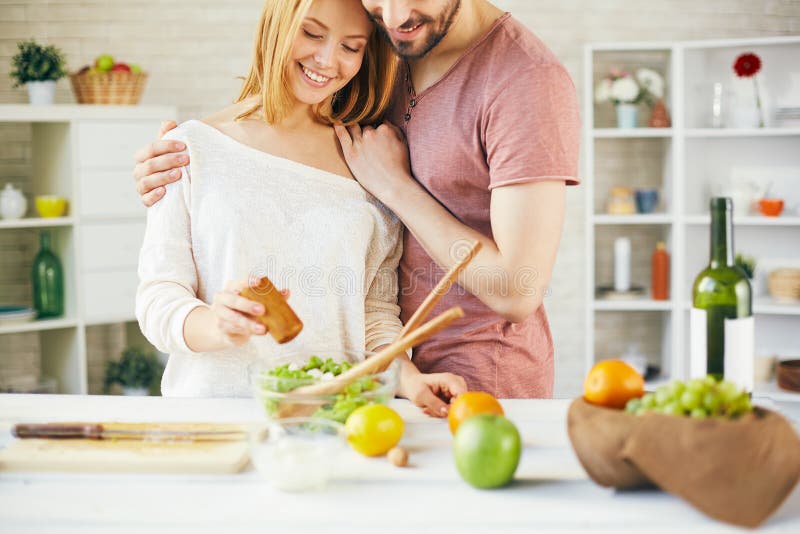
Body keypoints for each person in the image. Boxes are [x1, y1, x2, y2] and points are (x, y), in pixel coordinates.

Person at [134, 0, 580, 399]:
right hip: (242, 404)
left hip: (454, 379)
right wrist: (188, 145)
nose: (396, 14)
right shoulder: (395, 58)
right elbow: (160, 295)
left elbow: (379, 307)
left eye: (352, 46)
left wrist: (403, 376)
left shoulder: (519, 82)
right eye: (311, 33)